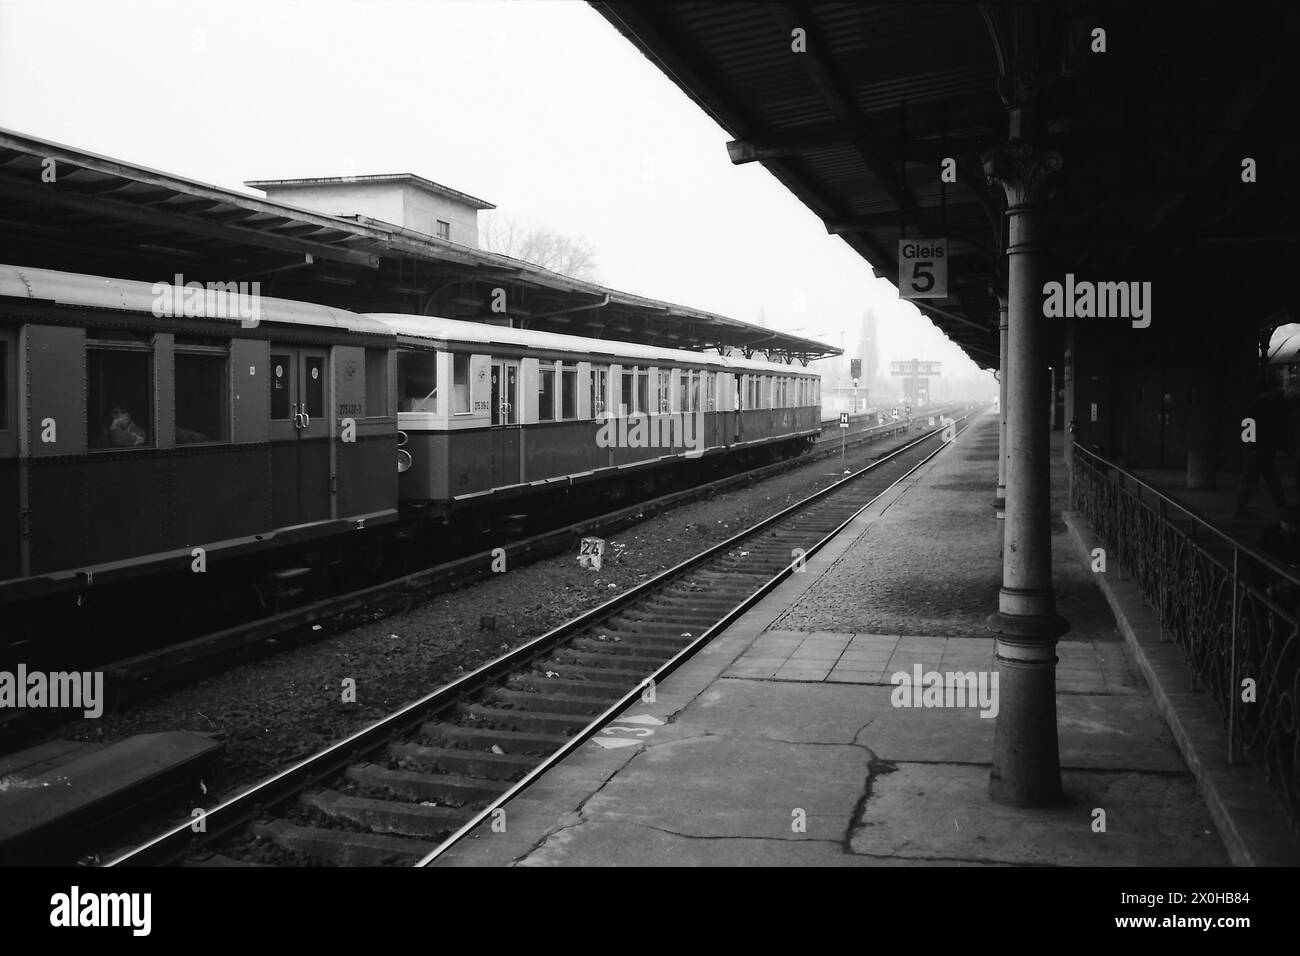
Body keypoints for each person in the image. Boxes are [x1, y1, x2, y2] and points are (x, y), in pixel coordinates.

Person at [1234, 382, 1290, 521]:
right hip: (1261, 449)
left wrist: (1250, 446)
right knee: (1270, 482)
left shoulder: (1257, 404)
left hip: (1258, 449)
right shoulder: (1264, 405)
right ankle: (1283, 510)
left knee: (1259, 481)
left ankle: (1242, 510)